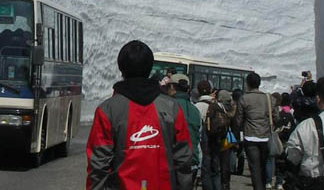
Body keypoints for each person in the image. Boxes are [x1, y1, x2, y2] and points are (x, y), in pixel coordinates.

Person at [86, 40, 193, 190]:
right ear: (149, 69)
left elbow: (98, 166)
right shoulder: (172, 107)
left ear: (121, 69)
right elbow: (183, 160)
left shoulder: (107, 110)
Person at [233, 72, 279, 190]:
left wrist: (237, 135)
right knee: (263, 166)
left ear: (247, 84)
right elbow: (276, 118)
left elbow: (238, 119)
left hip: (250, 136)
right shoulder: (269, 98)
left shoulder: (244, 98)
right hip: (265, 136)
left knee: (255, 168)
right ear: (259, 83)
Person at [167, 74, 202, 183]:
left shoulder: (166, 106)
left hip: (171, 162)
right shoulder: (196, 111)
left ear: (172, 88)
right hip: (192, 162)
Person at [195, 80, 222, 190]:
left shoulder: (196, 106)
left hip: (203, 143)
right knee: (216, 170)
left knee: (205, 170)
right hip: (216, 141)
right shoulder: (218, 105)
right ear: (211, 91)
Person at [217, 89, 236, 190]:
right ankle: (225, 184)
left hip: (217, 137)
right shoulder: (232, 109)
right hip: (228, 138)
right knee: (226, 162)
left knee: (217, 160)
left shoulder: (217, 107)